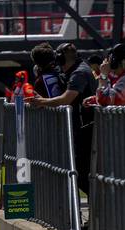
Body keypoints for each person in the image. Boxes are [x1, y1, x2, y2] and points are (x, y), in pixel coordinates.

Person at [31, 43, 98, 193]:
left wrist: (41, 102)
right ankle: (97, 210)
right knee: (80, 172)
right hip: (80, 127)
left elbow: (66, 99)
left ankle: (99, 208)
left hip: (85, 128)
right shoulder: (74, 71)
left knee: (82, 172)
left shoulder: (79, 73)